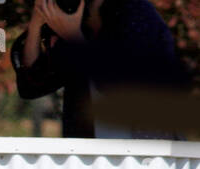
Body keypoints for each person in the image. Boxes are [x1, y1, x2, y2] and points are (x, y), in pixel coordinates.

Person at [11, 0, 190, 138]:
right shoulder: (75, 21)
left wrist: (74, 38)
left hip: (144, 151)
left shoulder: (138, 15)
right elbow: (32, 84)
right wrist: (36, 23)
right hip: (89, 153)